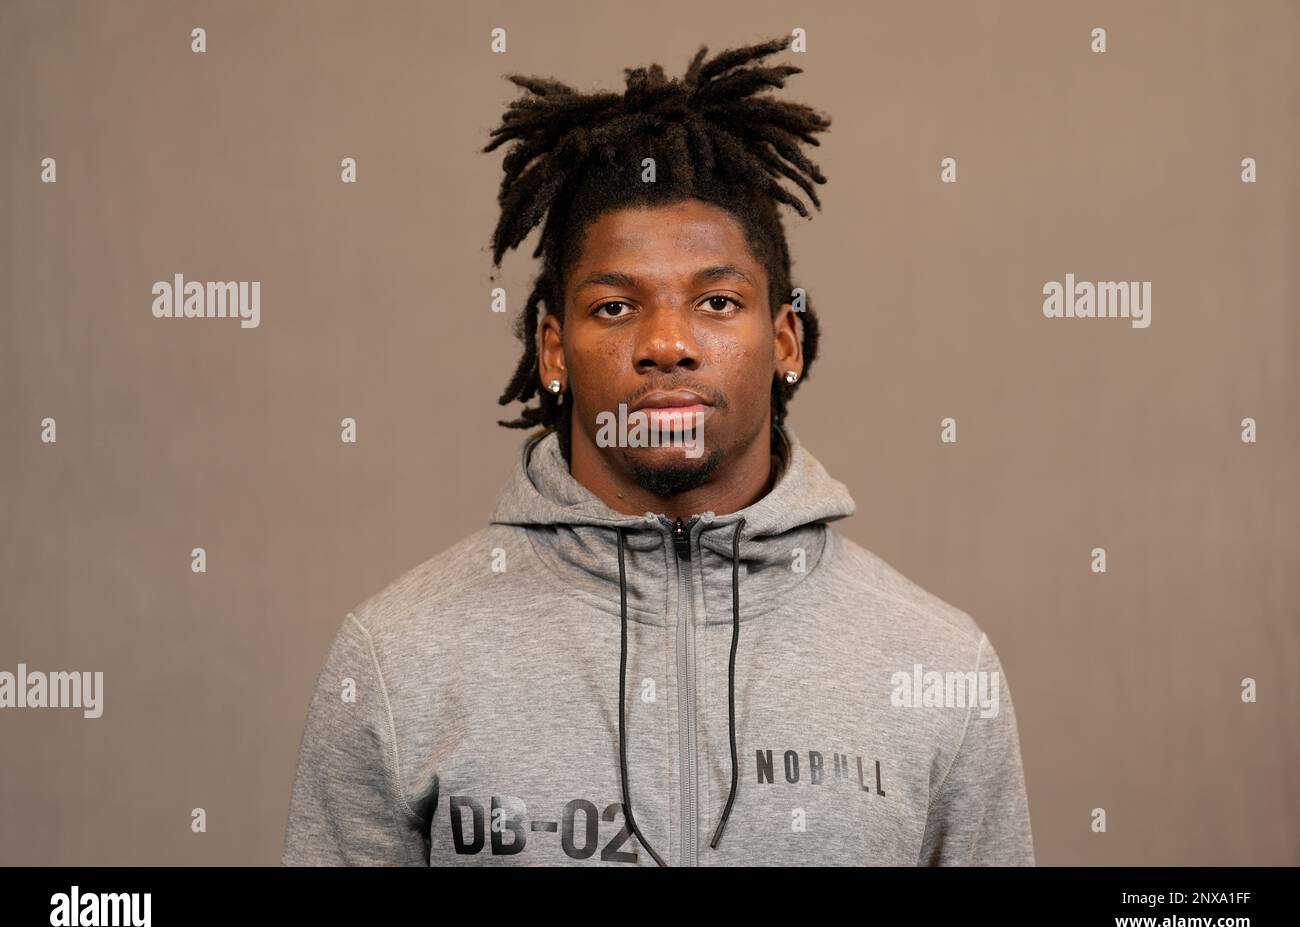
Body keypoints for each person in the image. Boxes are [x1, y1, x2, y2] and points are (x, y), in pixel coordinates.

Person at [282, 36, 1033, 866]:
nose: (667, 343)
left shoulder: (937, 664)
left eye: (716, 300)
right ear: (553, 351)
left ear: (785, 339)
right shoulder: (399, 658)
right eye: (613, 307)